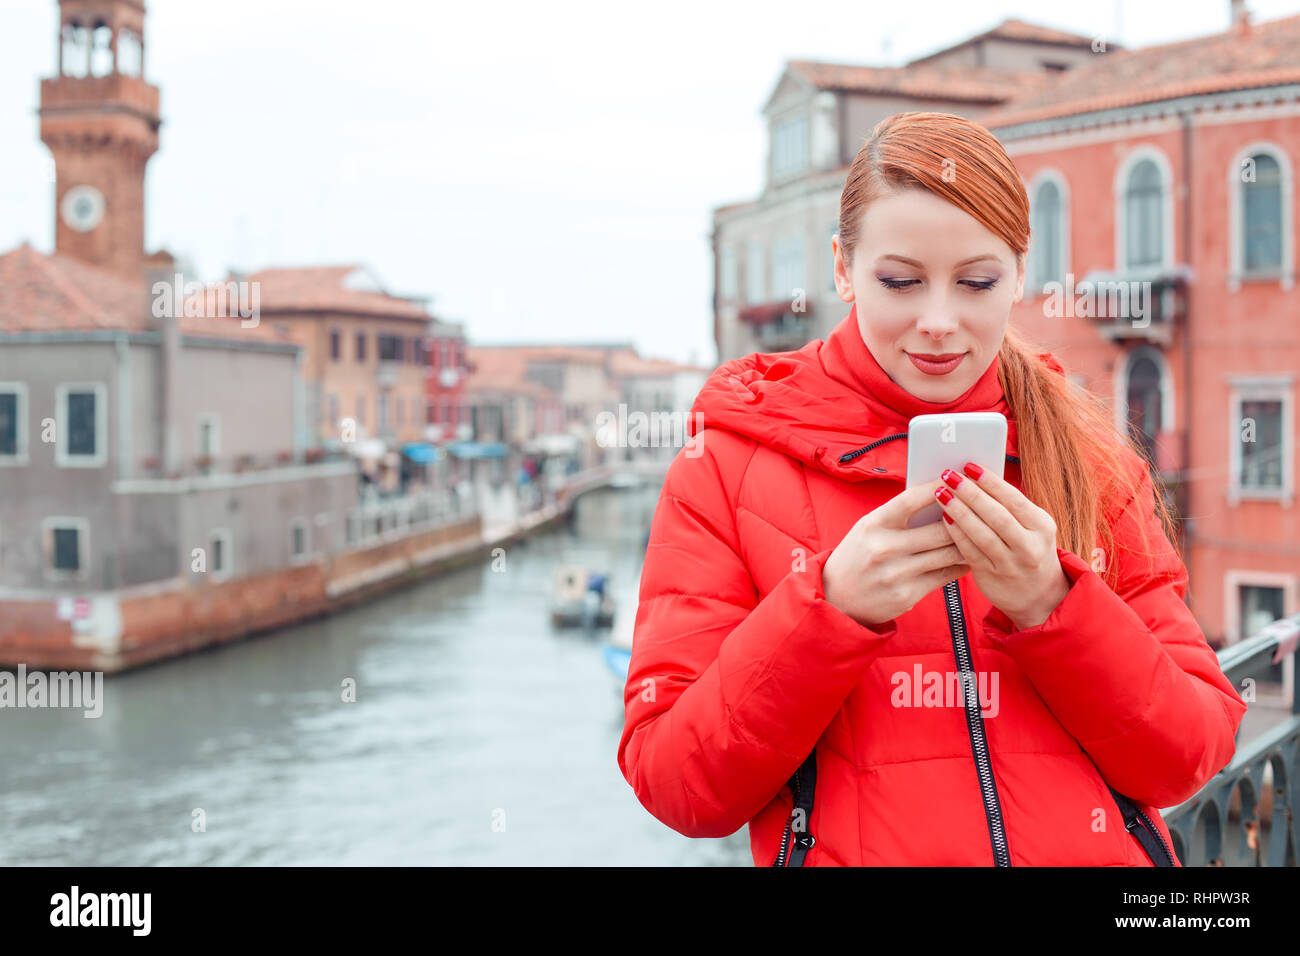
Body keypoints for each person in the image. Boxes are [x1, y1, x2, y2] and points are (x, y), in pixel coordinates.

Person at [616, 112, 1246, 866]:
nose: (940, 322)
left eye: (977, 281)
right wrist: (828, 613)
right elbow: (678, 786)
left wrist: (1055, 606)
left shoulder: (1091, 455)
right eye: (900, 281)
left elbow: (1187, 757)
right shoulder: (726, 460)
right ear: (843, 269)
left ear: (1018, 271)